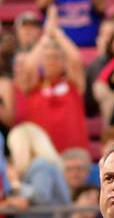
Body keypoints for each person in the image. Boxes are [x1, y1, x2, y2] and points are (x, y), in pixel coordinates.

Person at [16, 13, 90, 154]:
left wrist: (57, 33)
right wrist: (45, 38)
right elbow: (28, 66)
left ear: (63, 62)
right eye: (47, 57)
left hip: (73, 155)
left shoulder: (73, 85)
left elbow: (75, 59)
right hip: (42, 154)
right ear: (41, 61)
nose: (51, 61)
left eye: (56, 57)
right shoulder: (33, 87)